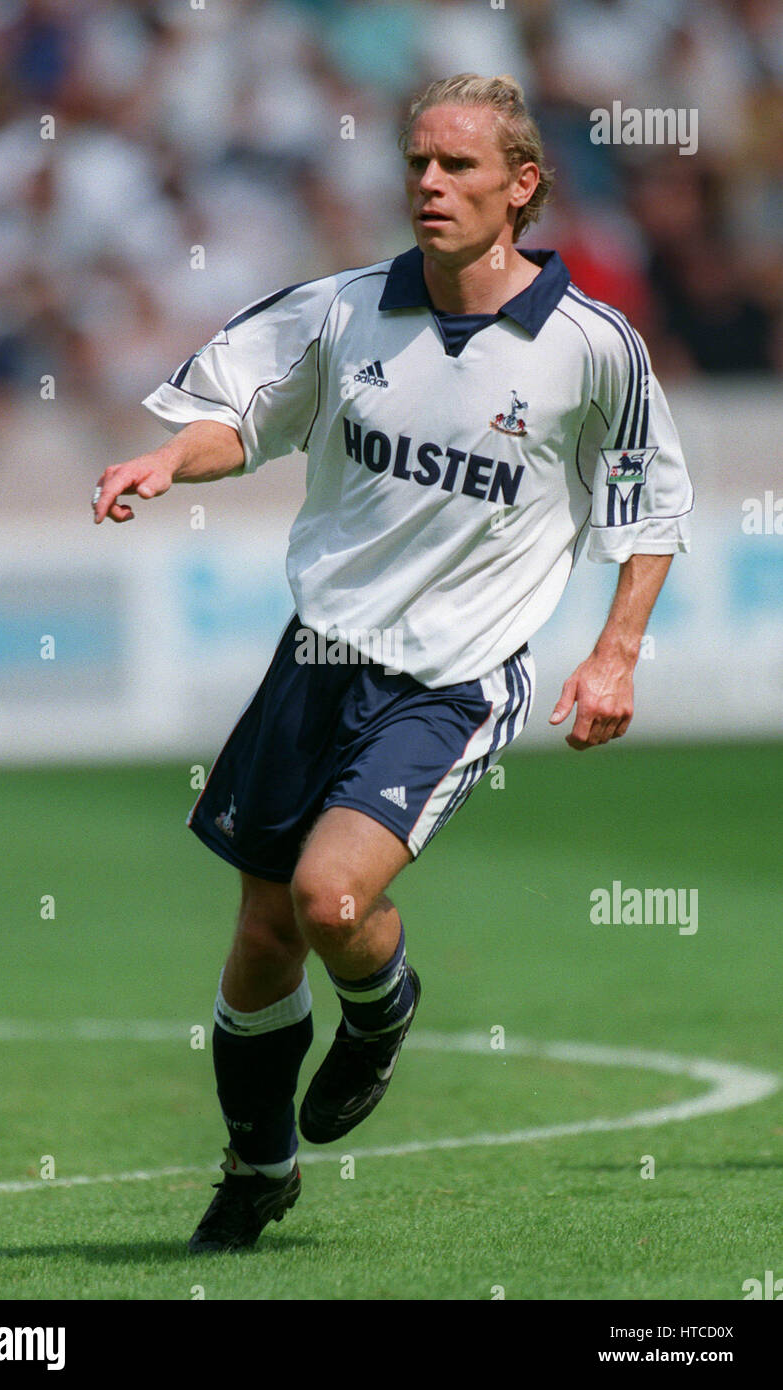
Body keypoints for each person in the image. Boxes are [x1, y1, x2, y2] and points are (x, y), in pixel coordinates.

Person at [92, 73, 693, 1254]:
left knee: (331, 897)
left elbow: (648, 507)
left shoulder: (589, 349)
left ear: (520, 186)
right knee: (265, 930)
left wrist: (614, 654)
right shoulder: (342, 309)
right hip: (313, 659)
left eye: (457, 166)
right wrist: (171, 463)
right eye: (417, 161)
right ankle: (256, 1170)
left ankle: (380, 1007)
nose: (427, 182)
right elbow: (243, 418)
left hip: (452, 679)